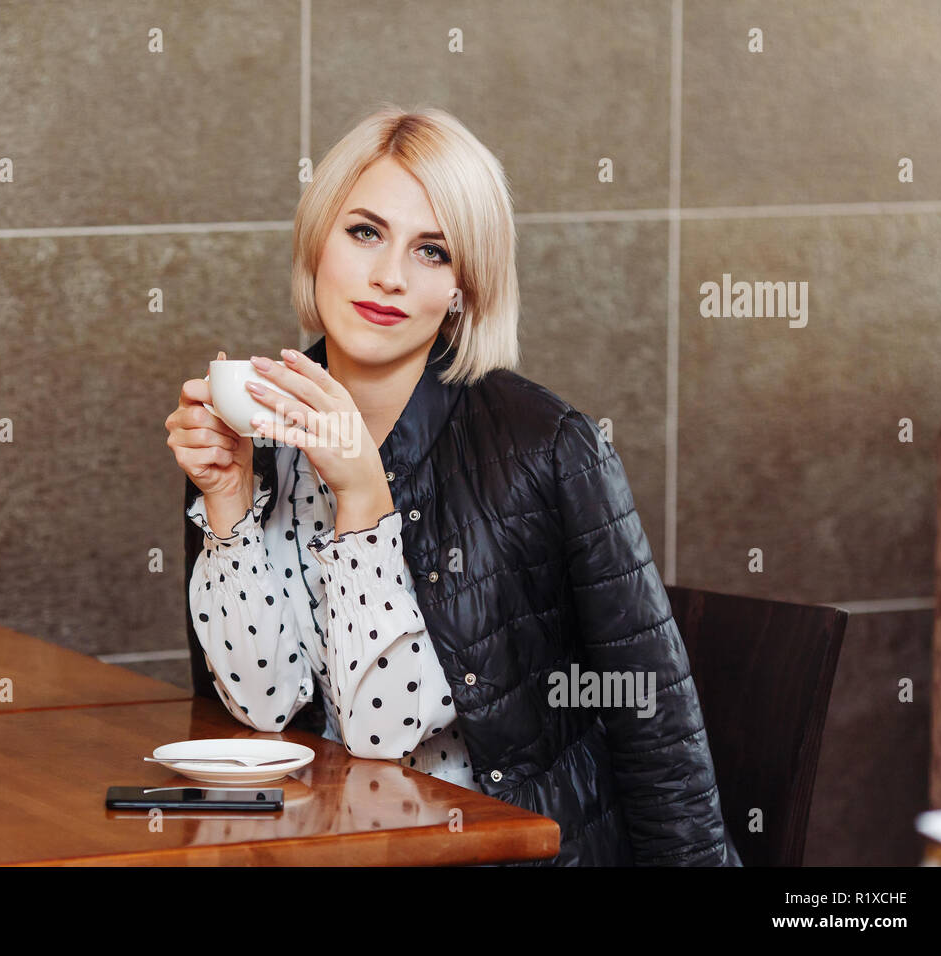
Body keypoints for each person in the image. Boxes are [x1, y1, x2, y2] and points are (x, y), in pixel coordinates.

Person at [165, 104, 741, 866]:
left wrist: (365, 503)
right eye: (364, 232)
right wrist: (228, 501)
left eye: (432, 251)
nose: (388, 277)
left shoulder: (546, 445)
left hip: (500, 853)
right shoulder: (257, 430)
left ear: (464, 288)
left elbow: (654, 724)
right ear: (318, 242)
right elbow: (261, 717)